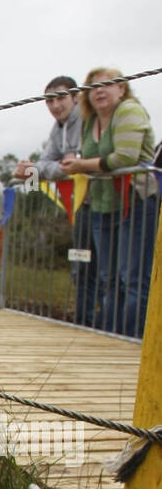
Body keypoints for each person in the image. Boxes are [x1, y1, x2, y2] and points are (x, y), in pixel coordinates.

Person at [62, 68, 158, 338]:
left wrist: (81, 165)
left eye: (107, 85)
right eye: (93, 87)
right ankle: (109, 335)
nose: (99, 90)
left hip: (136, 202)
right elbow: (78, 159)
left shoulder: (129, 111)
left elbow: (124, 159)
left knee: (133, 278)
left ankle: (130, 339)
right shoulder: (87, 120)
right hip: (101, 204)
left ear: (122, 89)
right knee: (108, 278)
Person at [13, 76, 97, 329]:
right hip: (80, 204)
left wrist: (51, 167)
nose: (55, 105)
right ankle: (84, 324)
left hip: (103, 201)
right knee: (82, 266)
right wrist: (55, 166)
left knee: (109, 271)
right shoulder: (57, 128)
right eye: (49, 100)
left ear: (76, 97)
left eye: (61, 98)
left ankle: (113, 331)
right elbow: (48, 164)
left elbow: (72, 164)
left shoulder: (85, 121)